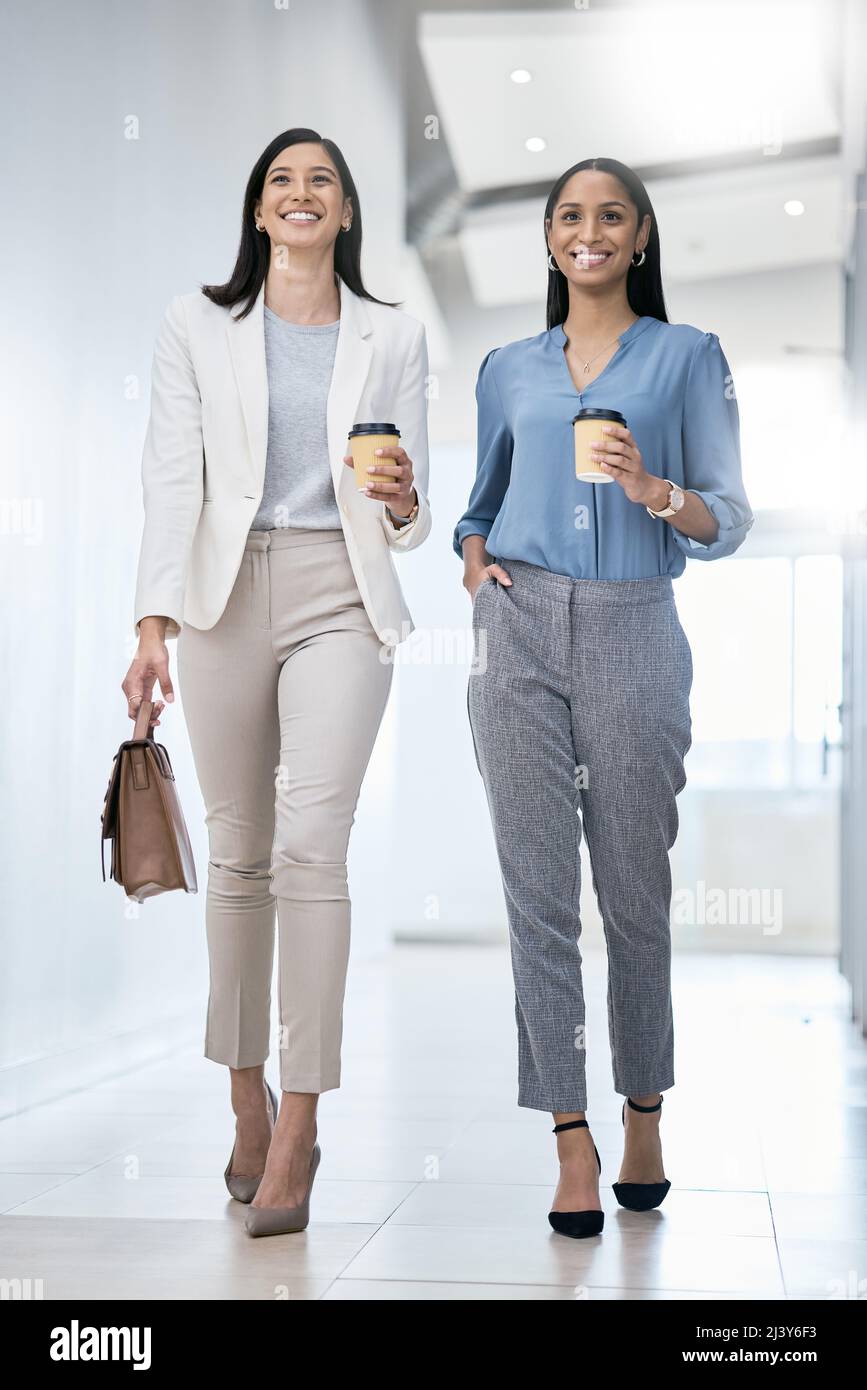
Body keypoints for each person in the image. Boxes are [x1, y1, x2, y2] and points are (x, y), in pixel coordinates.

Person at [122, 127, 431, 1238]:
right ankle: (242, 1095)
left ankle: (301, 1119)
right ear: (259, 212)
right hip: (218, 596)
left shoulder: (391, 334)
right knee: (240, 849)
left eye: (322, 185)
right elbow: (171, 475)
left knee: (314, 845)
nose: (302, 197)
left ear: (345, 214)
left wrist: (400, 498)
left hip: (339, 590)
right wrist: (152, 624)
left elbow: (410, 507)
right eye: (282, 183)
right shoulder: (195, 325)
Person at [454, 156, 753, 1239]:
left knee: (633, 895)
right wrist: (475, 560)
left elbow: (731, 517)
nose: (589, 231)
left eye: (610, 216)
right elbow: (477, 500)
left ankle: (643, 1111)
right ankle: (569, 1137)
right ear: (548, 239)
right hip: (518, 627)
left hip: (636, 623)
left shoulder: (688, 359)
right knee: (536, 897)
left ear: (640, 238)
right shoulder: (507, 369)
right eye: (570, 215)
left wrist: (653, 492)